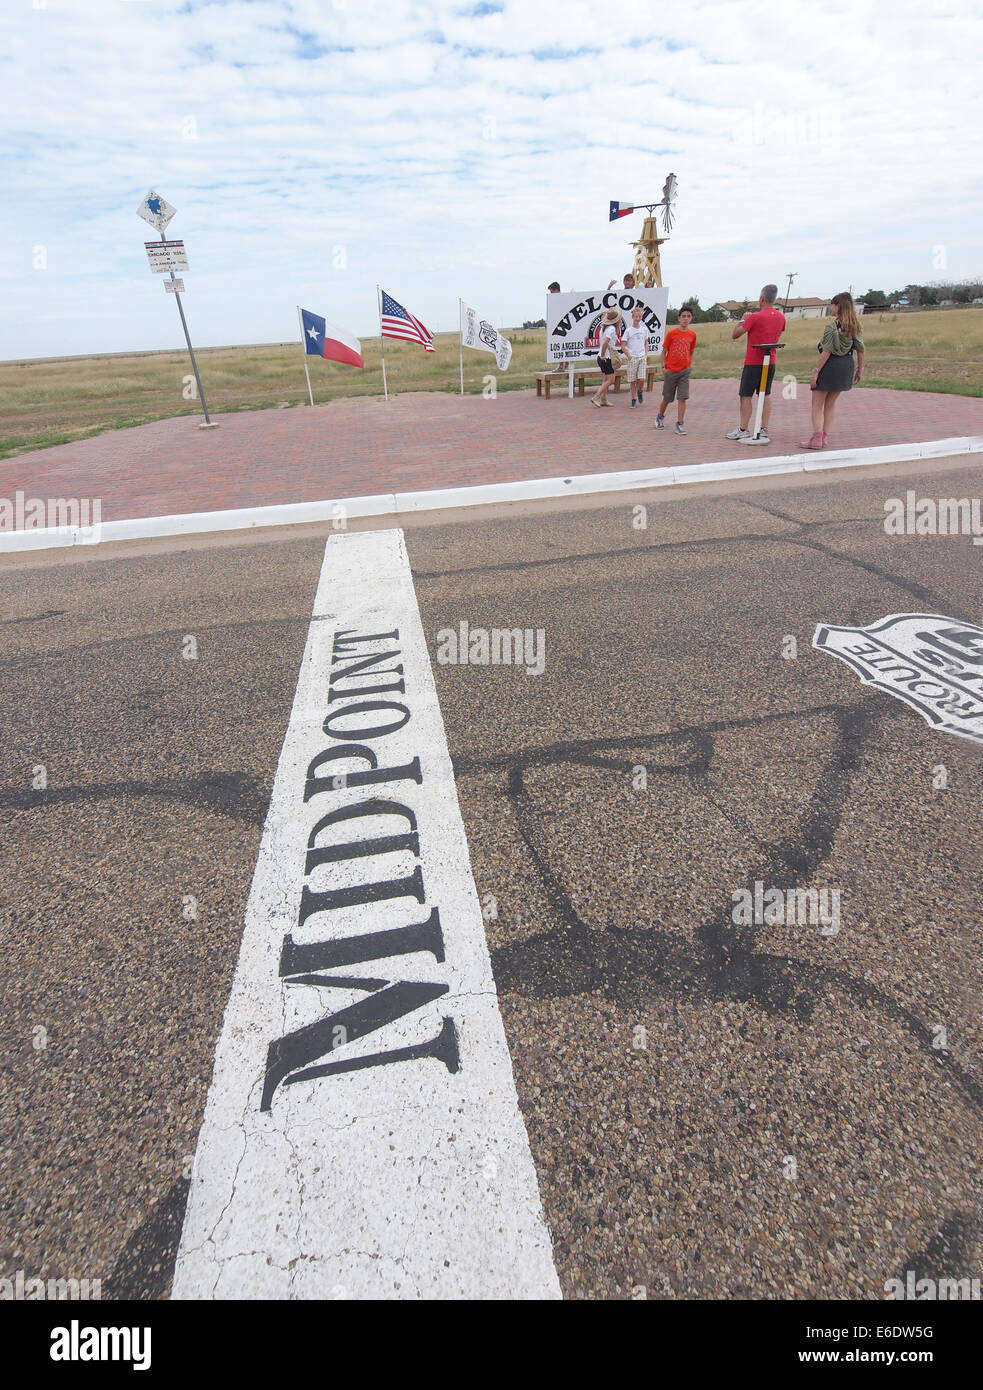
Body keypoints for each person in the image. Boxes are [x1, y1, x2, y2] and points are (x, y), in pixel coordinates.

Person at [800, 293, 865, 449]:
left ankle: (816, 438)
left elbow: (827, 351)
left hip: (830, 366)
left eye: (832, 305)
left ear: (838, 306)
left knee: (817, 404)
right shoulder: (855, 326)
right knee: (831, 404)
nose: (831, 308)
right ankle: (825, 436)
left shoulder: (832, 327)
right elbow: (861, 350)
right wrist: (860, 369)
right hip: (846, 365)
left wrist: (816, 371)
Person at [725, 284, 787, 444]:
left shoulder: (755, 317)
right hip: (770, 361)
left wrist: (742, 320)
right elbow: (779, 332)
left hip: (753, 361)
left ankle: (743, 429)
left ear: (761, 298)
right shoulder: (781, 317)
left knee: (746, 395)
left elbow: (735, 335)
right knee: (765, 394)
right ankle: (764, 428)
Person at [656, 306, 697, 433]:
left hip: (684, 370)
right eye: (683, 316)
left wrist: (689, 364)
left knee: (682, 397)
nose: (685, 319)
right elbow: (664, 351)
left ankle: (680, 423)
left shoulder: (692, 335)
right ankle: (660, 416)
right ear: (679, 318)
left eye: (688, 316)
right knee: (667, 398)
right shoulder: (672, 334)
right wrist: (663, 367)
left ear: (691, 319)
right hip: (671, 370)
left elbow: (691, 351)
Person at [591, 308, 622, 407]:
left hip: (600, 356)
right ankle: (596, 396)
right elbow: (605, 343)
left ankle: (604, 399)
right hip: (606, 357)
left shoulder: (603, 327)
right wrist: (604, 355)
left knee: (605, 378)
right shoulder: (611, 329)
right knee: (611, 380)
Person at [622, 305, 649, 407]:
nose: (637, 318)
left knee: (641, 378)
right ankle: (633, 398)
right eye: (636, 316)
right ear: (633, 317)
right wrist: (629, 355)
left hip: (642, 356)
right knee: (632, 380)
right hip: (633, 357)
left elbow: (646, 342)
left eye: (639, 316)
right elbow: (623, 345)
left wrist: (646, 353)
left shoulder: (644, 330)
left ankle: (640, 391)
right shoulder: (628, 331)